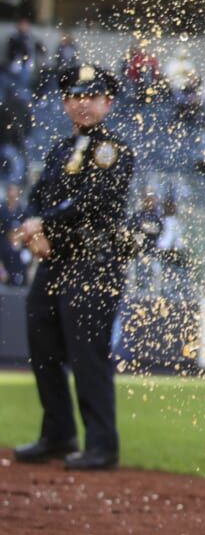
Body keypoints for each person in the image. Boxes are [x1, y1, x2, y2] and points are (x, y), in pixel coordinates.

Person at [12, 65, 133, 470]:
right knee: (42, 345)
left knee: (87, 354)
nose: (83, 104)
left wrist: (42, 225)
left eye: (92, 97)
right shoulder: (60, 151)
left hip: (93, 263)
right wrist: (33, 229)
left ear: (107, 103)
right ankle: (58, 434)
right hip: (55, 262)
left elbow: (93, 200)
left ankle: (102, 444)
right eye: (76, 97)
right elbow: (36, 197)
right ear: (65, 103)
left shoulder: (112, 151)